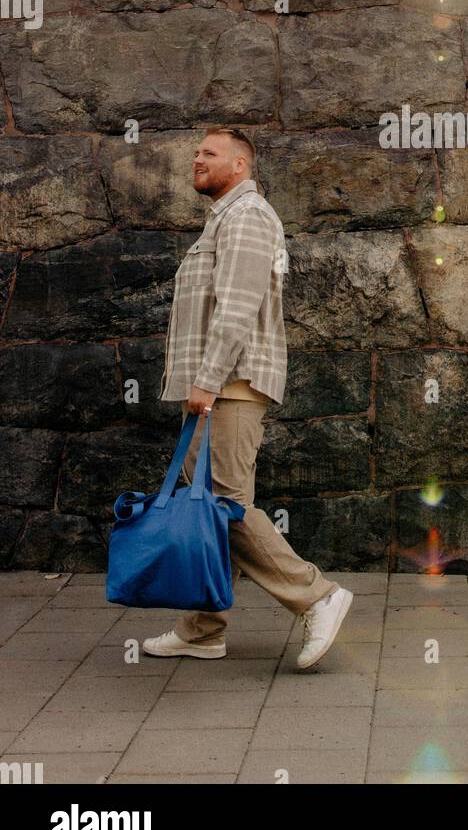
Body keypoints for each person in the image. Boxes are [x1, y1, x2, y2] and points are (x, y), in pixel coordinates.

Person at [142, 125, 353, 668]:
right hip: (218, 385)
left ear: (240, 165)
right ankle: (203, 628)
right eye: (197, 152)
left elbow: (236, 308)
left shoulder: (248, 217)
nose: (197, 159)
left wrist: (208, 380)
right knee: (208, 508)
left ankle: (317, 596)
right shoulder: (224, 219)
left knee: (226, 505)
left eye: (209, 153)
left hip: (230, 385)